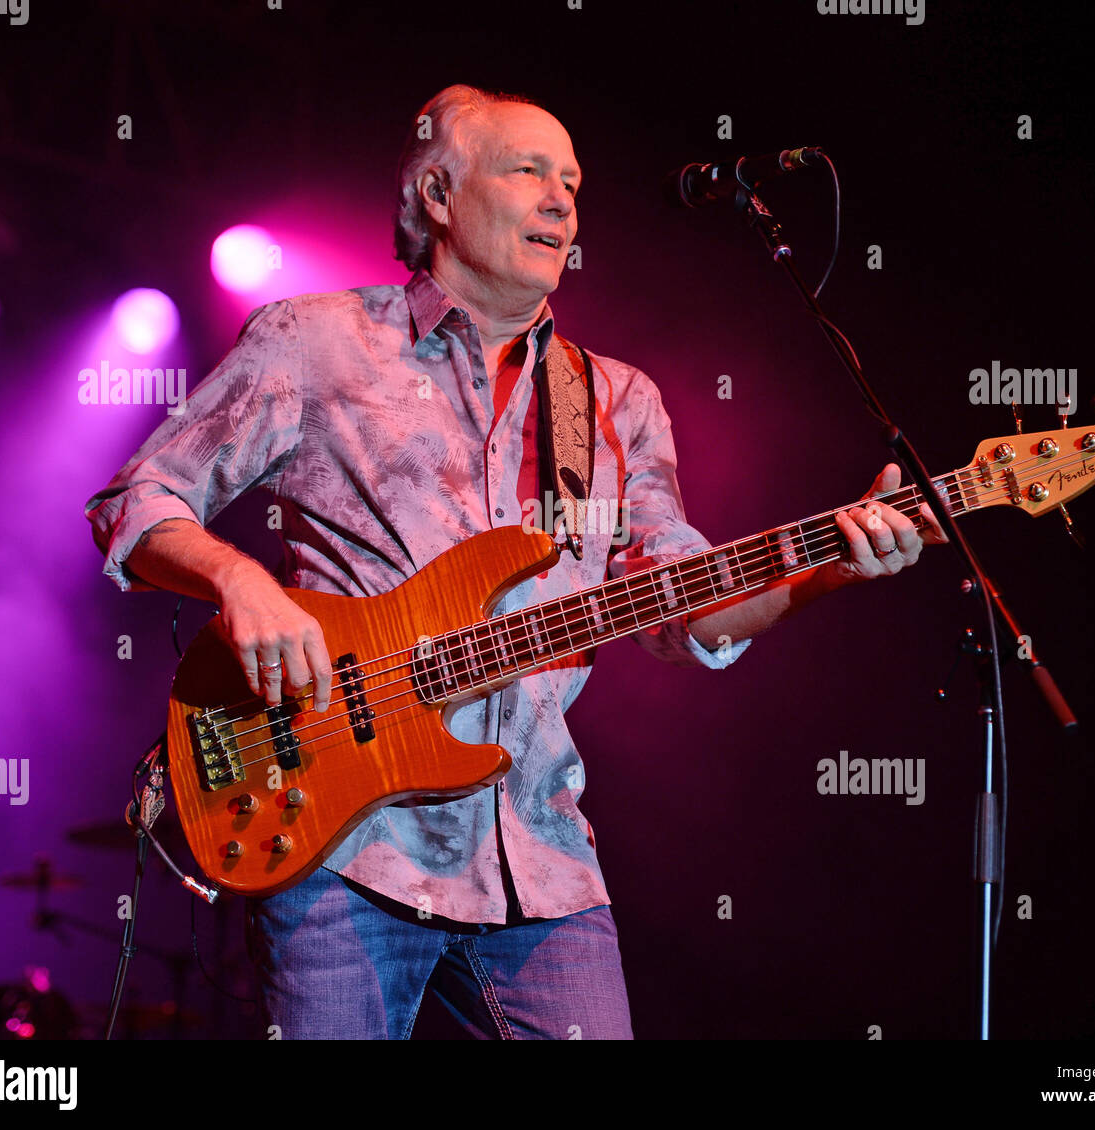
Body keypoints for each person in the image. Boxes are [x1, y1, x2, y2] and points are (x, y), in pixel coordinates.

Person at [85, 84, 946, 1040]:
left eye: (572, 182)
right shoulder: (316, 341)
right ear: (440, 195)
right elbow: (136, 503)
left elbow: (683, 613)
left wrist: (829, 568)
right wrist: (242, 583)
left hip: (540, 862)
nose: (560, 200)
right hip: (342, 843)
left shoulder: (614, 400)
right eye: (528, 170)